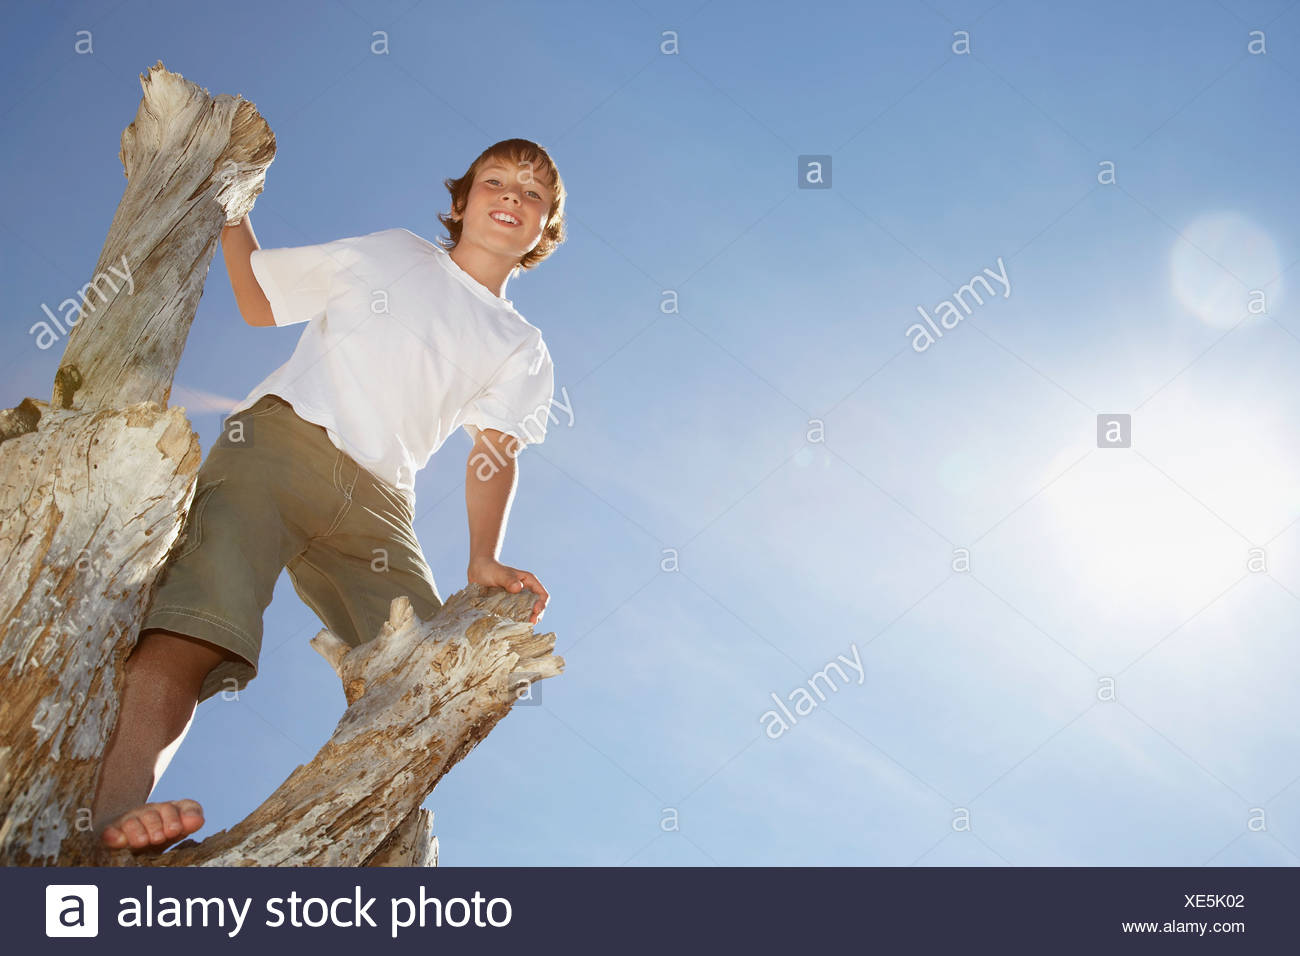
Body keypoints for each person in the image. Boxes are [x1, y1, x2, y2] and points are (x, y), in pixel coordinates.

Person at [90, 138, 566, 851]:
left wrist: (483, 559)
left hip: (379, 507)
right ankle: (109, 822)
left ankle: (342, 851)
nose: (512, 197)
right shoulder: (394, 253)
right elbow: (257, 296)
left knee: (427, 679)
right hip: (278, 450)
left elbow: (494, 451)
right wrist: (231, 209)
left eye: (532, 195)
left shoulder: (520, 343)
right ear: (460, 202)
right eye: (495, 181)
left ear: (544, 229)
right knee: (195, 624)